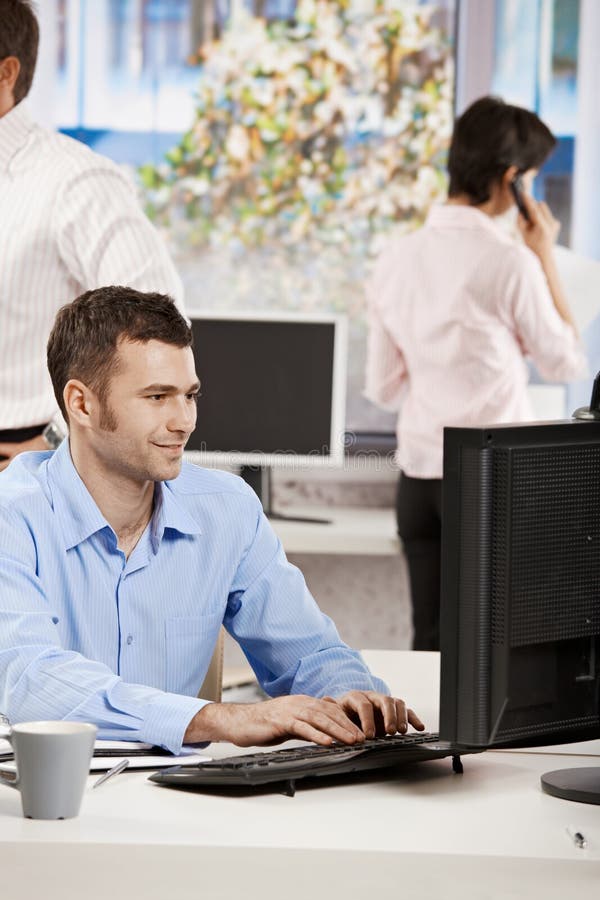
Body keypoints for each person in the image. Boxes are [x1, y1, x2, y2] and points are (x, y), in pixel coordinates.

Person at [0, 286, 424, 752]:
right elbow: (30, 679)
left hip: (174, 785)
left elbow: (308, 653)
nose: (184, 420)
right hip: (43, 787)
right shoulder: (13, 514)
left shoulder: (227, 508)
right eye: (157, 397)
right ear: (82, 404)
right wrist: (219, 719)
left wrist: (349, 695)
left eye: (190, 395)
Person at [364, 96, 587, 652]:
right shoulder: (510, 262)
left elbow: (384, 386)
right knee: (501, 652)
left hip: (419, 480)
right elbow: (565, 361)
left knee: (432, 643)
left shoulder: (395, 258)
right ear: (511, 180)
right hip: (491, 481)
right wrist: (545, 254)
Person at [0, 0, 183, 470]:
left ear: (6, 73)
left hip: (24, 463)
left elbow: (156, 324)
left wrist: (54, 439)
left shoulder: (75, 182)